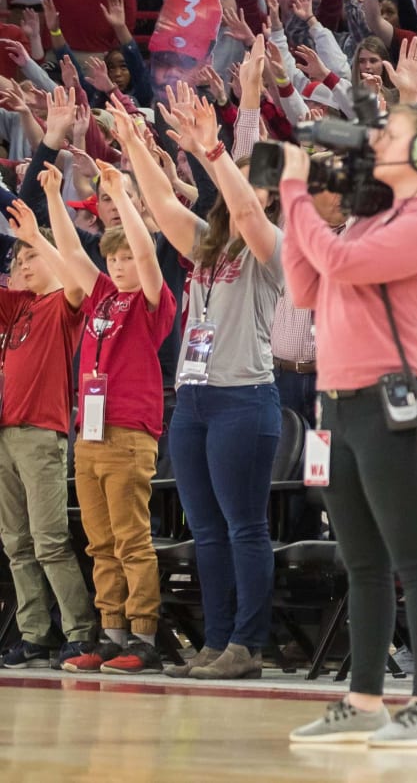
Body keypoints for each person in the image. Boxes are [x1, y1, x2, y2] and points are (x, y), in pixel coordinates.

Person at [281, 92, 417, 744]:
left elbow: (338, 264)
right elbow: (307, 286)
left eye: (395, 131)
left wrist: (298, 195)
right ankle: (364, 700)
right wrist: (302, 206)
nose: (378, 138)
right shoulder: (371, 219)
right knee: (359, 562)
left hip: (395, 404)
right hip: (337, 404)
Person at [126, 53, 284, 682]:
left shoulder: (272, 244)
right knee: (205, 527)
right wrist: (135, 144)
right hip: (192, 399)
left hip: (244, 398)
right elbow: (162, 206)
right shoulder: (209, 245)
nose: (241, 191)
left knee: (244, 526)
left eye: (251, 181)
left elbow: (246, 210)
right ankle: (217, 640)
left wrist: (216, 150)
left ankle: (249, 643)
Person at [27, 160, 176, 675]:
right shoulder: (103, 299)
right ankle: (111, 634)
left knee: (132, 540)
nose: (118, 267)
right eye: (112, 260)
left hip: (128, 433)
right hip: (88, 437)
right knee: (100, 542)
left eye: (126, 260)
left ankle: (144, 636)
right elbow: (69, 252)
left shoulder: (153, 302)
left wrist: (123, 200)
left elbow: (147, 254)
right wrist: (49, 201)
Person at [0, 204, 95, 672]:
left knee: (49, 539)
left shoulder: (61, 304)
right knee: (15, 543)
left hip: (41, 434)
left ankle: (80, 631)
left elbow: (76, 282)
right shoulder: (16, 309)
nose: (21, 268)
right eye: (17, 263)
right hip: (5, 435)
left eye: (29, 259)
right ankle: (34, 634)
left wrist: (39, 239)